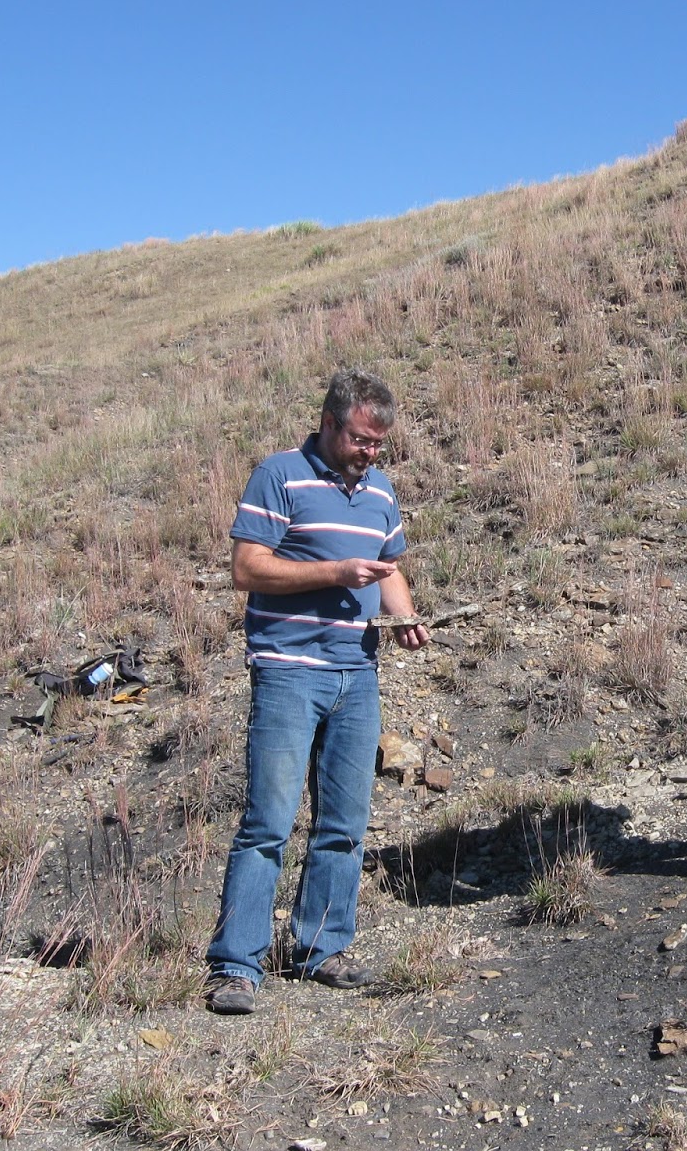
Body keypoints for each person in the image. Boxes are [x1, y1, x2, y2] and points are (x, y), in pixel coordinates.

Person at [205, 367, 429, 1015]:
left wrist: (406, 616)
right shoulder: (279, 475)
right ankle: (235, 966)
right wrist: (333, 570)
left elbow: (389, 568)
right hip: (286, 671)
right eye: (360, 440)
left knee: (344, 823)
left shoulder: (380, 489)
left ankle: (320, 947)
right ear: (329, 424)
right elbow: (247, 569)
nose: (370, 453)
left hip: (356, 675)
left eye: (379, 444)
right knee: (268, 823)